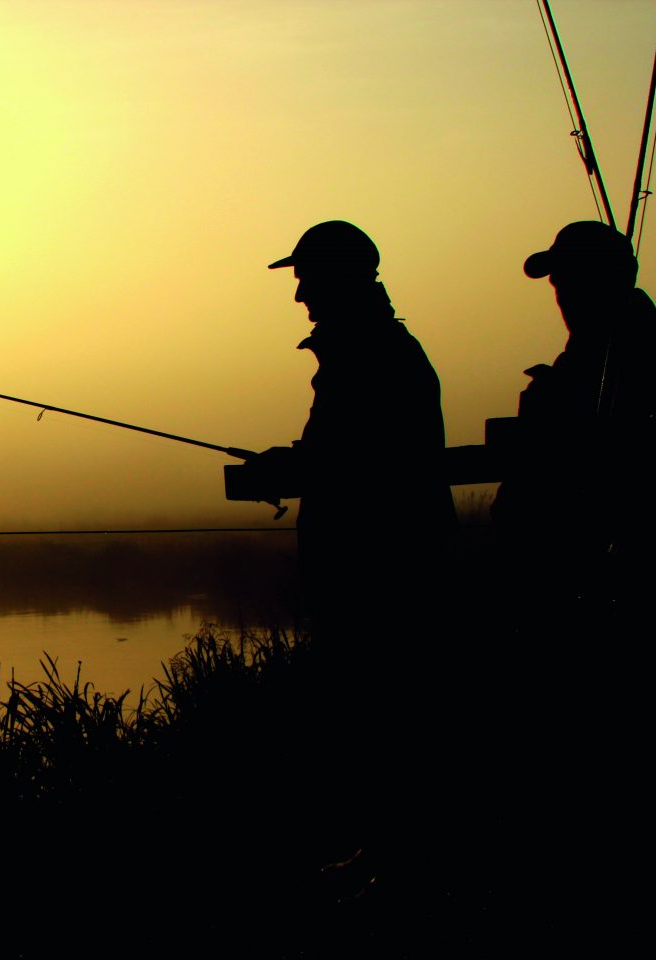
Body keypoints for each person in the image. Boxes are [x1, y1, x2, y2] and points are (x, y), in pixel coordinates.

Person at [491, 220, 656, 951]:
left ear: (611, 281)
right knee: (593, 805)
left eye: (571, 280)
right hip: (576, 626)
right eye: (557, 283)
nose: (561, 295)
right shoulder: (567, 379)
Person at [259, 221, 457, 921]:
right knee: (376, 717)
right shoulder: (368, 348)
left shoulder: (371, 354)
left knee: (390, 716)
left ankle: (404, 873)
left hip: (383, 573)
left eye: (307, 280)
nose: (300, 296)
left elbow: (361, 462)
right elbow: (345, 453)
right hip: (373, 566)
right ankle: (386, 855)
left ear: (341, 278)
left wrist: (291, 468)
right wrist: (295, 464)